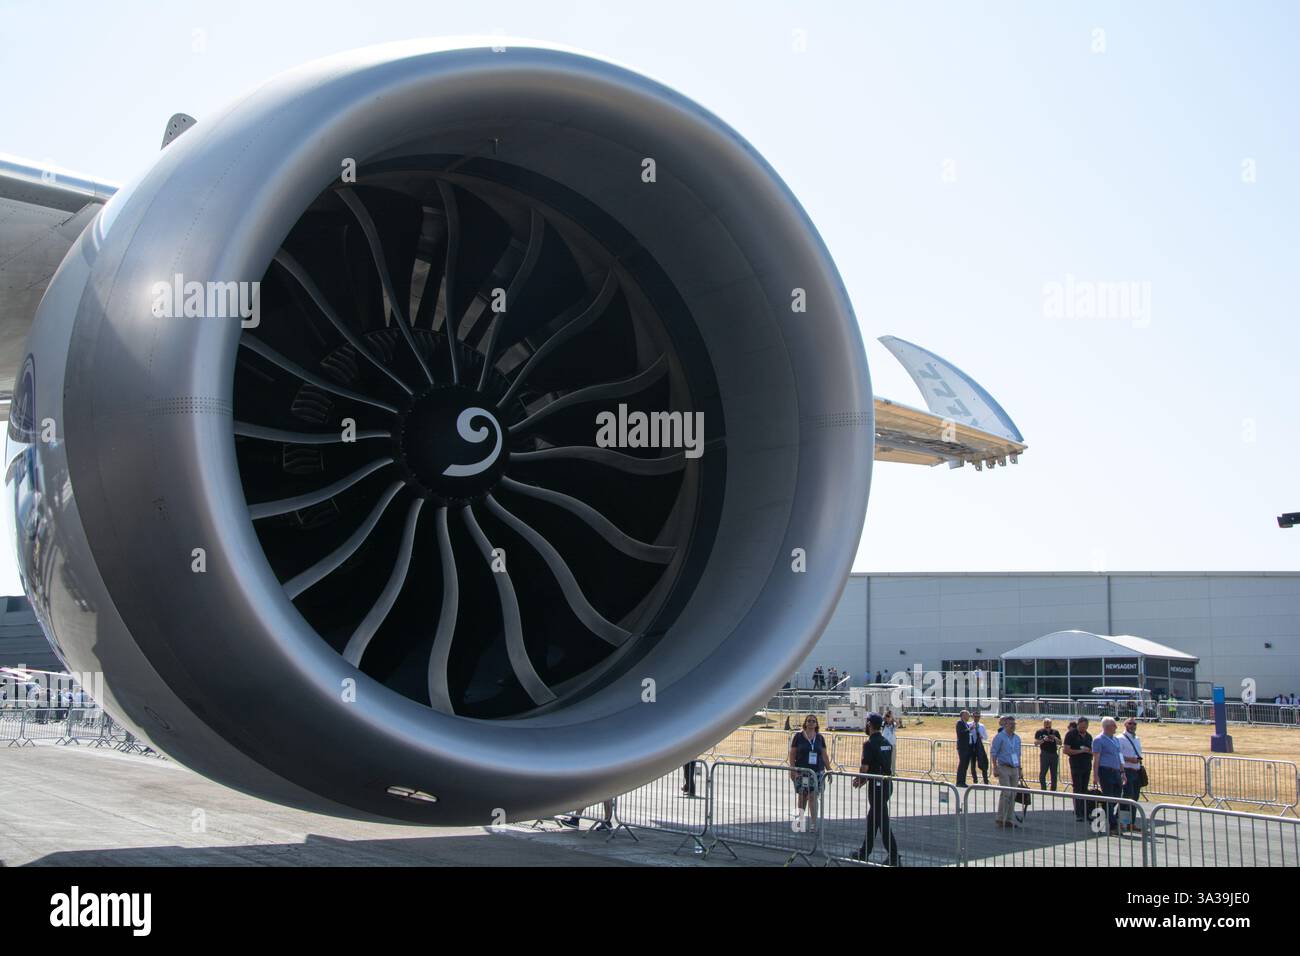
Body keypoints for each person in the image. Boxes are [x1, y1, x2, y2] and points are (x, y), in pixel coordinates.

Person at [851, 713, 899, 865]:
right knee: (872, 819)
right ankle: (864, 851)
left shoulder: (869, 744)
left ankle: (894, 856)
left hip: (876, 786)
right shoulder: (886, 742)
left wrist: (860, 780)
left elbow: (865, 767)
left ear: (869, 725)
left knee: (882, 823)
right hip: (886, 784)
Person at [788, 714, 829, 829]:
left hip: (816, 772)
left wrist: (829, 769)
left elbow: (824, 755)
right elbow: (792, 754)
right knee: (802, 796)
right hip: (802, 771)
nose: (811, 723)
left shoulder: (820, 738)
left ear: (816, 724)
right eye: (809, 721)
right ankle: (800, 820)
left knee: (813, 796)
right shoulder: (798, 737)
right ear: (805, 723)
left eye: (813, 721)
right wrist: (792, 769)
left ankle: (814, 823)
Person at [1091, 716, 1127, 834]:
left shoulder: (1116, 740)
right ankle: (1113, 825)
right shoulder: (1098, 740)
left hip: (1116, 771)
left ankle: (1107, 813)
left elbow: (1119, 756)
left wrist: (1122, 772)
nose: (1116, 727)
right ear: (1107, 727)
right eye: (1114, 725)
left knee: (1117, 796)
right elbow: (1096, 759)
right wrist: (1095, 776)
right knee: (1108, 796)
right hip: (1105, 771)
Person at [990, 715, 1023, 827]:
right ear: (1005, 725)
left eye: (1014, 724)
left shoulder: (1017, 738)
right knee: (1006, 793)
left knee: (1013, 794)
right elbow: (994, 753)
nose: (1013, 726)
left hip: (1014, 768)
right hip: (1003, 767)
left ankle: (1009, 819)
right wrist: (995, 767)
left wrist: (1020, 768)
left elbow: (1018, 755)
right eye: (1011, 724)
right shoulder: (999, 737)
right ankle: (1000, 817)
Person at [1063, 716, 1094, 821]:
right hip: (1076, 765)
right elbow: (1066, 750)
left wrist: (1088, 750)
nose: (1084, 729)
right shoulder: (1071, 734)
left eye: (1086, 727)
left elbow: (1092, 750)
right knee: (1077, 788)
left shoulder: (1089, 736)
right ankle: (1078, 812)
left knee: (1084, 788)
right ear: (1078, 724)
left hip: (1087, 765)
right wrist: (1080, 751)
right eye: (1082, 727)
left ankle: (1085, 811)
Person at [1117, 718, 1144, 830]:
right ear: (1125, 725)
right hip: (1127, 770)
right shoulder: (1120, 738)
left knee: (1135, 797)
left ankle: (1131, 823)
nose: (1132, 725)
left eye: (1134, 724)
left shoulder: (1137, 738)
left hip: (1136, 770)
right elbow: (1118, 755)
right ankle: (1122, 821)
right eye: (1130, 723)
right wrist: (1130, 759)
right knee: (1127, 796)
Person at [1034, 718, 1062, 791]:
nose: (1048, 728)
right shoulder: (1039, 732)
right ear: (1043, 725)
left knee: (1054, 773)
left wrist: (1055, 738)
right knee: (1043, 773)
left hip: (1054, 754)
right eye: (1046, 727)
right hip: (1044, 754)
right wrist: (1043, 740)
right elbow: (1036, 743)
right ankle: (1043, 789)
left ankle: (1053, 790)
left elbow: (1060, 743)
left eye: (1049, 727)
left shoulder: (1055, 732)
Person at [970, 711, 990, 784]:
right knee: (973, 764)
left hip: (979, 747)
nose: (977, 718)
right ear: (973, 717)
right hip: (972, 747)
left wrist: (982, 736)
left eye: (978, 717)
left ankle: (985, 781)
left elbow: (986, 737)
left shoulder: (982, 726)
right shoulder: (969, 725)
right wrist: (971, 729)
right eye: (975, 717)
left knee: (983, 763)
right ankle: (975, 781)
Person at [955, 709, 973, 787]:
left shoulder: (966, 724)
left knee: (965, 765)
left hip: (967, 747)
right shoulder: (959, 723)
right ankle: (959, 782)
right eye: (967, 714)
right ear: (963, 715)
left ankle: (963, 781)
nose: (969, 716)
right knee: (962, 764)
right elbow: (960, 733)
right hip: (962, 747)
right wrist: (969, 730)